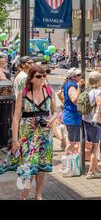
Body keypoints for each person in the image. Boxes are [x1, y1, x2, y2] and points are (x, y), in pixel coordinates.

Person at [0, 65, 58, 200]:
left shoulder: (49, 92)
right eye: (39, 76)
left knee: (42, 166)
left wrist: (51, 119)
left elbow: (56, 111)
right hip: (27, 136)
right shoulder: (23, 94)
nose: (43, 78)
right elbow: (15, 118)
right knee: (28, 166)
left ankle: (38, 195)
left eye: (44, 75)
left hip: (45, 135)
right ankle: (24, 195)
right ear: (31, 78)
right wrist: (15, 140)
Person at [82, 71, 101, 179]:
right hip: (94, 122)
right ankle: (91, 172)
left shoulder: (87, 91)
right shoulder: (97, 92)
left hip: (86, 120)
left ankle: (96, 168)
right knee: (95, 147)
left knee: (92, 146)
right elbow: (99, 104)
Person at [62, 68, 85, 155]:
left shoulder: (70, 84)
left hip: (72, 116)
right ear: (72, 77)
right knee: (73, 142)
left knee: (73, 142)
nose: (81, 77)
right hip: (72, 117)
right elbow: (75, 100)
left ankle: (71, 164)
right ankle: (64, 163)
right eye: (79, 75)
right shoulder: (72, 85)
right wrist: (79, 86)